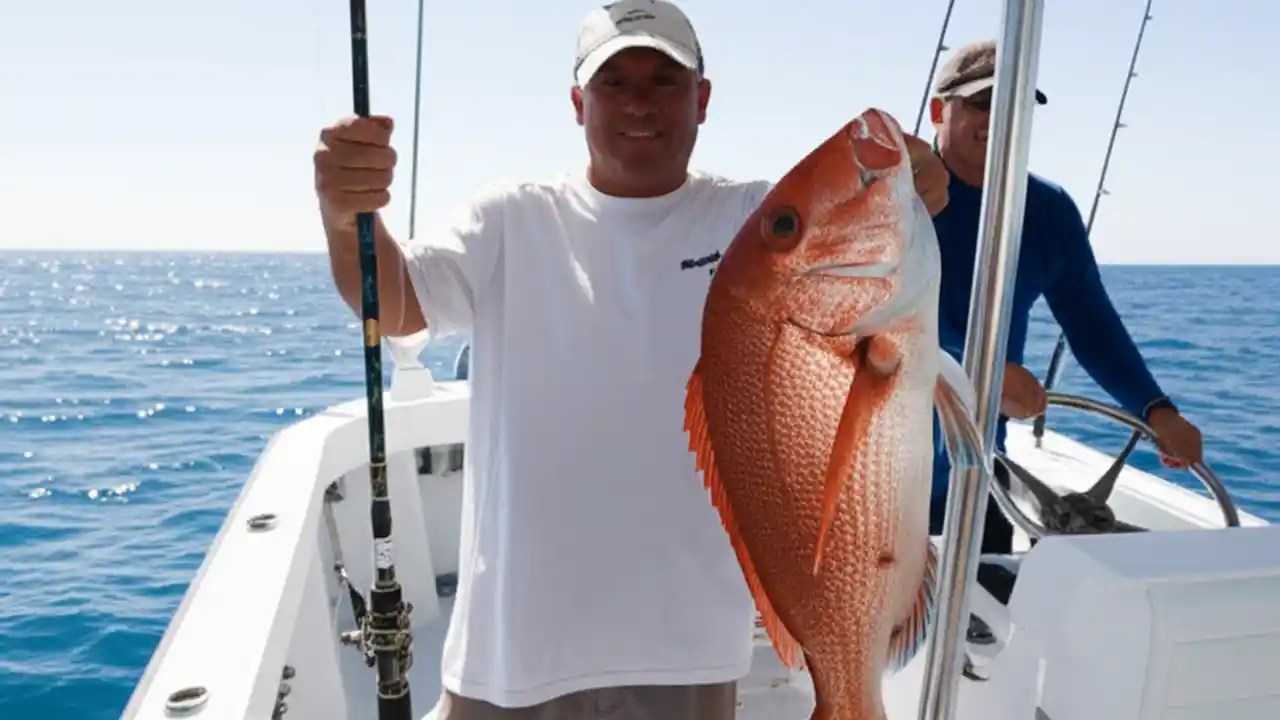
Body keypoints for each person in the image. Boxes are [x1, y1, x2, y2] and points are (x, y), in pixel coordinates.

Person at [314, 2, 949, 718]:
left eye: (665, 80)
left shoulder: (752, 223)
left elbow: (853, 225)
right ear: (578, 102)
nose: (640, 101)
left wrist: (916, 179)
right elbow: (394, 302)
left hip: (687, 649)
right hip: (513, 648)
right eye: (614, 82)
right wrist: (347, 218)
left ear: (702, 99)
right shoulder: (511, 220)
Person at [925, 39, 1206, 553]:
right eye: (982, 102)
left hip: (979, 478)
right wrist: (977, 367)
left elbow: (1091, 324)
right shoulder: (891, 197)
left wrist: (1156, 409)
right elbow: (856, 325)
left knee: (982, 625)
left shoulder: (1048, 212)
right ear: (939, 110)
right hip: (867, 482)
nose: (999, 117)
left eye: (1014, 104)